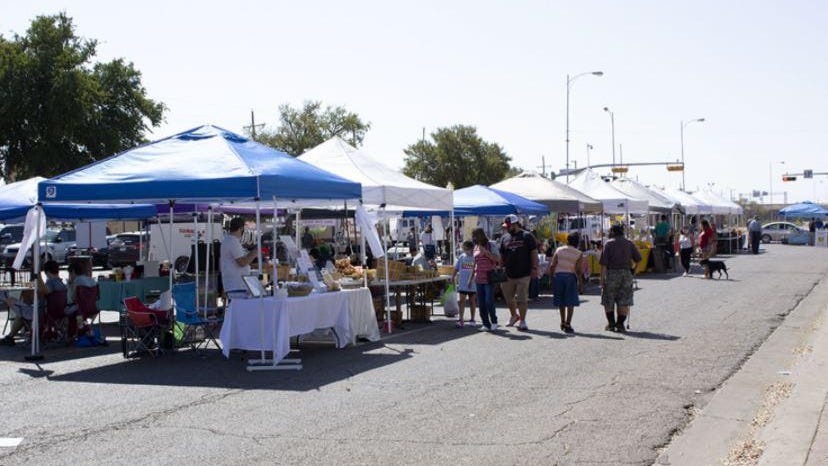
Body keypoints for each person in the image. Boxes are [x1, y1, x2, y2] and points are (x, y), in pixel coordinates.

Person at [499, 214, 539, 331]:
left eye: (509, 226)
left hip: (524, 273)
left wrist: (534, 268)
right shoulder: (504, 237)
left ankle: (522, 320)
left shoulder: (527, 236)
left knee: (522, 299)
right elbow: (502, 254)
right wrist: (501, 267)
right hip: (508, 273)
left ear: (516, 224)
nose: (506, 228)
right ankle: (514, 316)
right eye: (506, 226)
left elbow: (534, 253)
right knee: (508, 298)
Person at [599, 224, 641, 333]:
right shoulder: (629, 243)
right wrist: (633, 271)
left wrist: (602, 280)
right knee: (624, 299)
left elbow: (604, 264)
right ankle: (620, 324)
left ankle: (611, 324)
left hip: (612, 273)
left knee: (609, 299)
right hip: (626, 274)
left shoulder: (608, 244)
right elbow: (638, 260)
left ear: (612, 232)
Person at [550, 233, 584, 333]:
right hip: (570, 277)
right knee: (570, 301)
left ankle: (562, 321)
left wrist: (551, 278)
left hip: (558, 276)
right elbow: (578, 270)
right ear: (577, 242)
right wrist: (581, 284)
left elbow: (553, 265)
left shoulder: (559, 250)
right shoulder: (578, 253)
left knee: (561, 301)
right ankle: (568, 323)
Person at [220, 217, 258, 300]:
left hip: (236, 285)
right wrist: (255, 252)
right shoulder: (232, 241)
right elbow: (242, 262)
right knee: (240, 311)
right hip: (236, 286)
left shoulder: (229, 240)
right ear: (241, 228)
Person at [471, 228, 500, 332]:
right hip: (478, 277)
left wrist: (486, 253)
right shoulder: (475, 247)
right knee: (481, 302)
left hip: (489, 276)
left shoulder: (490, 244)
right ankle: (485, 323)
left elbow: (498, 259)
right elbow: (475, 263)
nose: (473, 238)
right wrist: (471, 278)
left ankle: (494, 321)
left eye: (474, 235)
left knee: (489, 301)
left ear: (480, 235)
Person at [452, 241, 477, 327]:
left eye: (466, 249)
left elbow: (475, 270)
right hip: (462, 283)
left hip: (472, 283)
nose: (465, 251)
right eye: (464, 249)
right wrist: (453, 277)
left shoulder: (475, 257)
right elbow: (456, 268)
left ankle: (472, 319)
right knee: (461, 301)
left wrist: (470, 280)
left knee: (472, 301)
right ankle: (461, 319)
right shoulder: (462, 257)